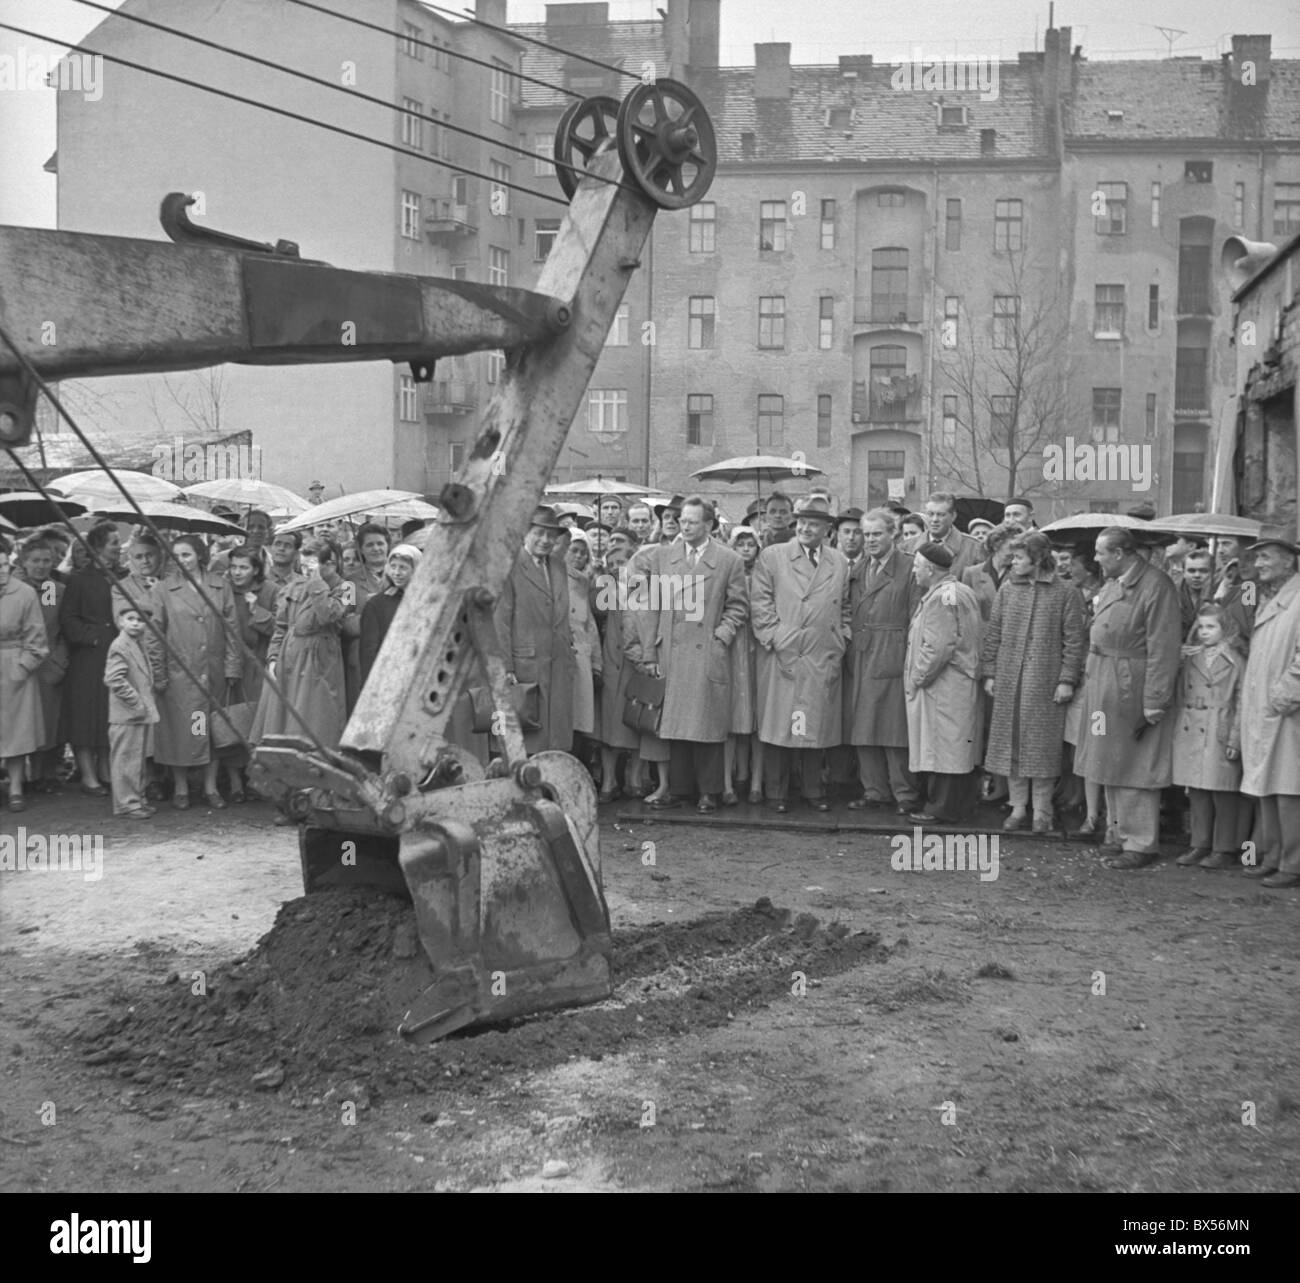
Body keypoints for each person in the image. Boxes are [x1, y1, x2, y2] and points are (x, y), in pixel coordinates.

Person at [1074, 527, 1183, 869]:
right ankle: (1117, 833)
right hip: (1103, 682)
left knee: (1136, 763)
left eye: (1100, 552)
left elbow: (1164, 648)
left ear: (1120, 554)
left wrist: (1155, 699)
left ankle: (1140, 842)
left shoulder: (1156, 586)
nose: (1095, 559)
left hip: (1131, 686)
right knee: (1106, 760)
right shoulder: (1113, 583)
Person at [638, 498, 747, 813]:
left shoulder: (729, 560)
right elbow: (649, 606)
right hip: (671, 648)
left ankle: (709, 792)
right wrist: (650, 653)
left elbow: (738, 605)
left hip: (706, 650)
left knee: (707, 723)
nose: (683, 526)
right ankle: (681, 790)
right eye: (681, 520)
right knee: (674, 723)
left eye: (691, 521)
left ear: (709, 525)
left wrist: (721, 636)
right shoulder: (661, 557)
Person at [981, 531, 1086, 834]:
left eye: (1019, 557)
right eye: (1012, 557)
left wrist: (1066, 679)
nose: (1013, 562)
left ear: (1038, 559)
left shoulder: (1065, 592)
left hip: (1044, 681)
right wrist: (990, 672)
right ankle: (1017, 808)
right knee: (1011, 745)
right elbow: (994, 633)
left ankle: (1042, 811)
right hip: (1009, 679)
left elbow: (1074, 641)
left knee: (1041, 749)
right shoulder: (1007, 590)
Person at [751, 496, 850, 813]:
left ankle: (812, 789)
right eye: (803, 523)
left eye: (815, 524)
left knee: (814, 724)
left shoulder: (838, 562)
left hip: (822, 652)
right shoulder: (774, 556)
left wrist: (840, 639)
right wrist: (778, 637)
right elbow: (760, 603)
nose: (807, 528)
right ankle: (776, 793)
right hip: (785, 650)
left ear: (827, 530)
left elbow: (845, 607)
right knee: (781, 725)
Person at [251, 536, 354, 785]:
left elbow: (330, 615)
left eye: (313, 565)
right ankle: (283, 785)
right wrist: (273, 657)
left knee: (316, 722)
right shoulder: (293, 586)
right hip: (289, 657)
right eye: (305, 565)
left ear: (331, 563)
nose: (307, 570)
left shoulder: (347, 588)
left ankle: (314, 784)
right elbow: (281, 625)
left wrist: (317, 582)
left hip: (320, 660)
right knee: (281, 721)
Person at [152, 535, 241, 810]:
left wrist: (232, 665)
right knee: (182, 729)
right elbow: (154, 634)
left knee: (211, 729)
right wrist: (158, 671)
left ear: (200, 555)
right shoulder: (164, 590)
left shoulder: (220, 586)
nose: (182, 560)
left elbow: (232, 628)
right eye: (176, 555)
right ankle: (181, 787)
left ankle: (210, 786)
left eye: (187, 554)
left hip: (212, 670)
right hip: (180, 671)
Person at [844, 508, 923, 814]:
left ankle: (904, 792)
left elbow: (918, 613)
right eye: (866, 534)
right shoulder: (859, 567)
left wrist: (907, 654)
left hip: (893, 650)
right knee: (863, 725)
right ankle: (874, 790)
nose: (870, 540)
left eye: (877, 534)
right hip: (862, 652)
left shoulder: (909, 567)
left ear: (893, 534)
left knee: (894, 728)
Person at [904, 542, 984, 823]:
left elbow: (939, 645)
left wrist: (918, 677)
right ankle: (955, 806)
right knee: (954, 746)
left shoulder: (942, 597)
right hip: (955, 683)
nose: (914, 570)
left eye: (917, 565)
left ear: (930, 569)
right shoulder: (957, 590)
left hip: (943, 684)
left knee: (943, 748)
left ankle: (942, 809)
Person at [1237, 527, 1300, 888]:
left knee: (1289, 787)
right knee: (1267, 784)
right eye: (1257, 556)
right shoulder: (1268, 597)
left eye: (1265, 556)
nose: (1258, 563)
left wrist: (1284, 694)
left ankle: (1291, 864)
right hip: (1265, 708)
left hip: (1286, 709)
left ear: (1287, 560)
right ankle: (1273, 856)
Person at [1171, 604, 1250, 870]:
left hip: (1221, 725)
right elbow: (1179, 690)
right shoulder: (1190, 657)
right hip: (1192, 725)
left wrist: (1235, 739)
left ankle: (1223, 847)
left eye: (1211, 626)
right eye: (1201, 627)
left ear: (1225, 628)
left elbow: (1242, 700)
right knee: (1197, 791)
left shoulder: (1235, 659)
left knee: (1222, 791)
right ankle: (1199, 843)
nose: (1204, 632)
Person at [496, 505, 576, 755]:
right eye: (539, 533)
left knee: (556, 736)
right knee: (527, 735)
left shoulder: (558, 565)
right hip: (526, 666)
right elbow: (500, 620)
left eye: (551, 536)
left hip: (559, 663)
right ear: (524, 533)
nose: (546, 540)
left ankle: (551, 781)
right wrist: (506, 668)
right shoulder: (508, 566)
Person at [58, 521, 121, 796]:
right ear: (98, 547)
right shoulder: (79, 579)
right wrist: (93, 637)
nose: (120, 548)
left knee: (108, 713)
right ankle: (88, 775)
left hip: (117, 654)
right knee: (85, 716)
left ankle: (106, 770)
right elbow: (67, 620)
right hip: (88, 658)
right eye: (115, 543)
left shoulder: (122, 576)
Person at [593, 537, 644, 802]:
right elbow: (596, 613)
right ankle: (609, 781)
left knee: (637, 724)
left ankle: (635, 778)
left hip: (636, 666)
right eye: (611, 563)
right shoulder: (606, 591)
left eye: (621, 562)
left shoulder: (646, 591)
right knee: (607, 728)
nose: (616, 567)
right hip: (610, 664)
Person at [0, 537, 49, 812]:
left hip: (13, 666)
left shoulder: (25, 593)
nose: (2, 572)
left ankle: (16, 787)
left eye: (5, 565)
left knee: (15, 731)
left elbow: (38, 636)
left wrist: (23, 666)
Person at [17, 538, 68, 792]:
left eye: (46, 561)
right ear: (24, 561)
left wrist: (59, 661)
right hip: (18, 663)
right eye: (35, 561)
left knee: (49, 720)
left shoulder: (54, 590)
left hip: (48, 664)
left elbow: (59, 628)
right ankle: (21, 775)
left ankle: (45, 774)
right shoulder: (13, 589)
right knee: (21, 720)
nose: (40, 566)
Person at [102, 601, 160, 819]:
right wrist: (136, 703)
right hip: (127, 714)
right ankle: (127, 804)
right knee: (125, 760)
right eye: (131, 619)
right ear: (120, 622)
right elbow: (114, 679)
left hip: (139, 714)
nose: (136, 624)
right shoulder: (119, 646)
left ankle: (138, 799)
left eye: (140, 620)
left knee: (136, 759)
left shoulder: (137, 643)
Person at [723, 525, 762, 804]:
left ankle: (756, 781)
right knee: (731, 717)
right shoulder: (726, 574)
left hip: (757, 647)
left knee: (759, 719)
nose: (746, 549)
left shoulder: (764, 574)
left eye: (751, 544)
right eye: (741, 544)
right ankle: (728, 781)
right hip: (732, 646)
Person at [358, 544, 420, 686]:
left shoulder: (424, 599)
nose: (396, 572)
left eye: (403, 567)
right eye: (393, 567)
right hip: (384, 669)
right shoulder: (349, 582)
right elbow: (343, 614)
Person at [565, 530, 602, 752]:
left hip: (583, 657)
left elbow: (591, 625)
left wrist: (596, 663)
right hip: (565, 654)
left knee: (580, 721)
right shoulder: (556, 578)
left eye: (583, 553)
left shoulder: (584, 582)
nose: (579, 557)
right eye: (574, 551)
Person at [961, 522, 1016, 623]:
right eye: (1011, 547)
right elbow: (964, 612)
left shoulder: (1018, 574)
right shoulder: (971, 574)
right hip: (980, 636)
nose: (1015, 552)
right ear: (996, 545)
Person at [922, 492, 984, 580]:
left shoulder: (974, 549)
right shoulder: (908, 547)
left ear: (953, 516)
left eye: (941, 515)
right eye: (930, 514)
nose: (934, 519)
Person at [1178, 550, 1215, 636]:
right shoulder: (1172, 593)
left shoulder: (1219, 594)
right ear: (1183, 572)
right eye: (1191, 571)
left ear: (1212, 572)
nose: (1197, 575)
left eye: (1203, 571)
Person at [266, 527, 304, 596]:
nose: (281, 548)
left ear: (296, 553)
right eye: (278, 544)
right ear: (270, 549)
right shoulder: (259, 581)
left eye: (288, 545)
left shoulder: (303, 585)